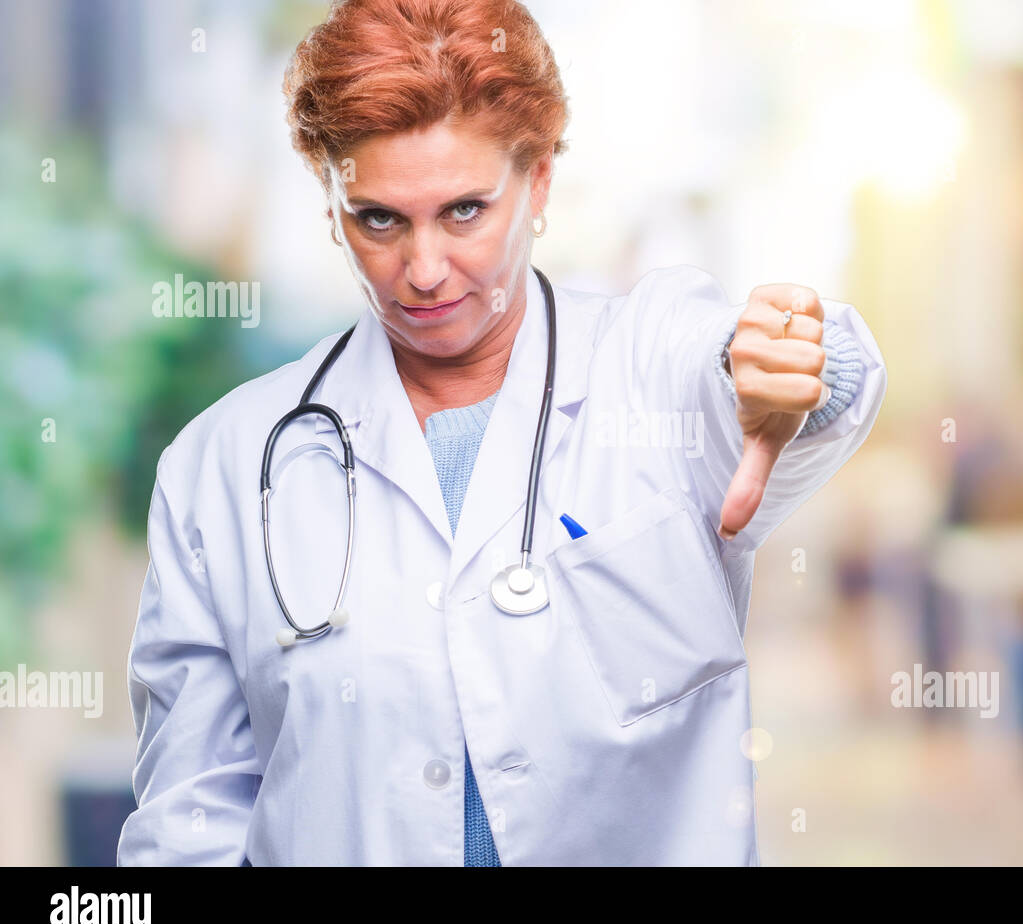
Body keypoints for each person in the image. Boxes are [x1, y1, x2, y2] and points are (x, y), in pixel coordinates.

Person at [117, 0, 887, 866]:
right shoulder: (223, 465)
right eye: (379, 219)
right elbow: (190, 823)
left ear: (540, 185)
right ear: (331, 203)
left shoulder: (648, 370)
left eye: (465, 211)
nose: (425, 269)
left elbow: (774, 373)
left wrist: (796, 370)